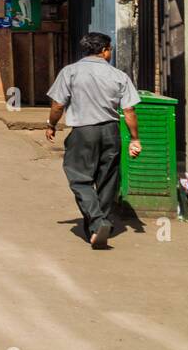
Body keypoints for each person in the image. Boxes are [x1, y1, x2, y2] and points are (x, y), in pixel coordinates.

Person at [45, 32, 143, 249]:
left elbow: (58, 106)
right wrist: (135, 139)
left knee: (80, 178)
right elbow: (129, 111)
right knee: (108, 180)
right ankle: (101, 223)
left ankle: (97, 223)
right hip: (111, 131)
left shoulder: (69, 72)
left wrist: (51, 125)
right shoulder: (119, 75)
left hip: (82, 132)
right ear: (105, 50)